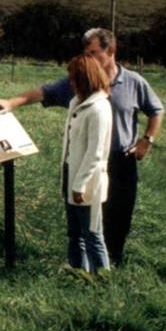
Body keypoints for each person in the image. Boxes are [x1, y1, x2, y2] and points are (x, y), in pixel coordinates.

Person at [0, 28, 164, 266]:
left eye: (95, 52)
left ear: (111, 51)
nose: (90, 58)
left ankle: (111, 264)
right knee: (89, 220)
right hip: (87, 162)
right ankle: (89, 268)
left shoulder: (134, 82)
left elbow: (156, 110)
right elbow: (44, 92)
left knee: (119, 215)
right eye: (87, 53)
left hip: (122, 160)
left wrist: (147, 140)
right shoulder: (79, 83)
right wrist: (11, 103)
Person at [61, 54, 112, 273]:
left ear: (85, 78)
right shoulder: (77, 103)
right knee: (75, 234)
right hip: (71, 175)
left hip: (87, 182)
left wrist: (80, 184)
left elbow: (95, 153)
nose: (70, 82)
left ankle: (102, 280)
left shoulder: (98, 109)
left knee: (92, 234)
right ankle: (78, 272)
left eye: (74, 78)